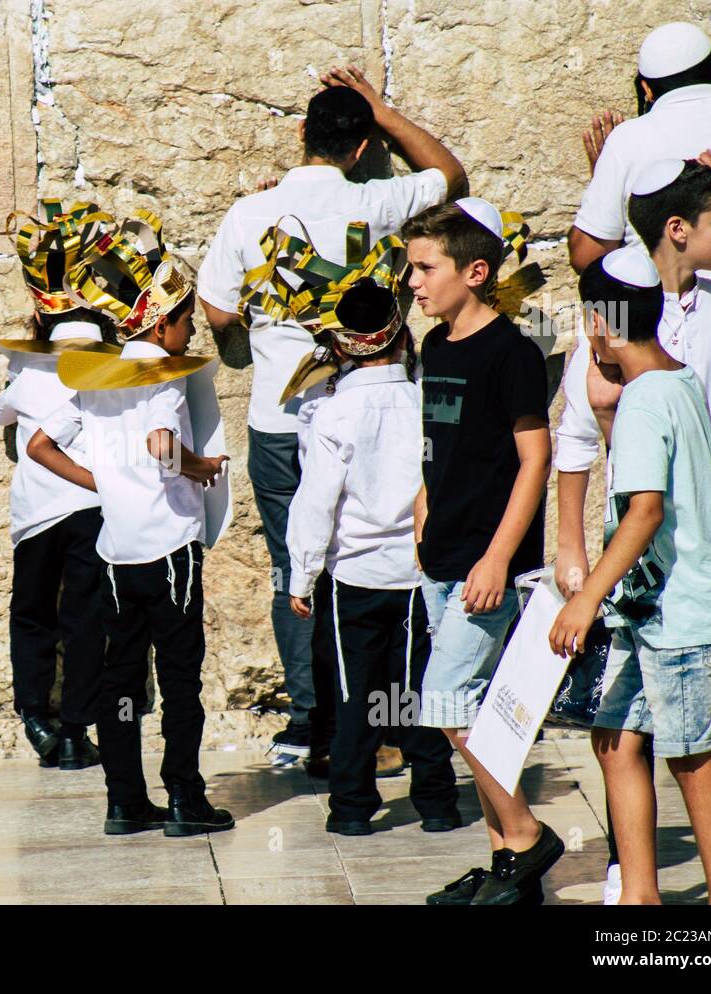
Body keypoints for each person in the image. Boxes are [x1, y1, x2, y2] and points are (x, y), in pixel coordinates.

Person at [196, 66, 466, 766]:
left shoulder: (249, 215)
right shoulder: (379, 201)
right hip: (367, 410)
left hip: (280, 420)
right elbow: (449, 173)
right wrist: (384, 109)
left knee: (298, 572)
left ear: (301, 136)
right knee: (386, 563)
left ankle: (312, 723)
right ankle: (388, 728)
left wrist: (252, 337)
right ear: (359, 148)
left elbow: (219, 310)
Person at [558, 158, 711, 905]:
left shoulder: (653, 396)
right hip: (651, 608)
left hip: (679, 609)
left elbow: (646, 509)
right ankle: (643, 896)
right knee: (616, 736)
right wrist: (608, 409)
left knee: (691, 755)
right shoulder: (669, 377)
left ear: (603, 323)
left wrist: (585, 596)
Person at [27, 213, 233, 837]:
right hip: (170, 549)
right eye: (188, 320)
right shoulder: (161, 375)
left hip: (116, 549)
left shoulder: (100, 377)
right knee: (179, 681)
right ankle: (184, 800)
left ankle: (123, 800)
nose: (192, 328)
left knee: (120, 679)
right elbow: (163, 446)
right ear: (164, 322)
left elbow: (39, 445)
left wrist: (104, 484)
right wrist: (201, 467)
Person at [405, 198, 558, 905]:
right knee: (478, 707)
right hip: (441, 555)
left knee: (445, 704)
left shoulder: (513, 353)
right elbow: (442, 448)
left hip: (485, 564)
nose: (413, 282)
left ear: (473, 272)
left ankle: (527, 836)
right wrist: (423, 508)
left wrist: (497, 558)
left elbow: (535, 460)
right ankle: (506, 868)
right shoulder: (435, 347)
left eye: (423, 268)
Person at [284, 275, 461, 838]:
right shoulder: (429, 402)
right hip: (418, 573)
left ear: (343, 345)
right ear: (400, 336)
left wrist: (302, 576)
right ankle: (436, 803)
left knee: (352, 696)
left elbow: (315, 502)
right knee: (420, 692)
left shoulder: (334, 413)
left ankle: (353, 808)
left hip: (354, 577)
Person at [569, 21, 711, 482]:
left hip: (673, 350)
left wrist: (621, 200)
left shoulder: (628, 139)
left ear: (645, 87)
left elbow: (586, 253)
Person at [0, 201, 119, 770]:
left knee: (33, 611)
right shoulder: (111, 370)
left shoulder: (28, 373)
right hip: (92, 505)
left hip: (37, 514)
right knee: (87, 617)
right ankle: (74, 730)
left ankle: (34, 715)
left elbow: (4, 417)